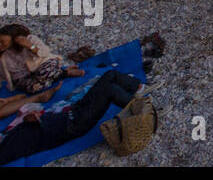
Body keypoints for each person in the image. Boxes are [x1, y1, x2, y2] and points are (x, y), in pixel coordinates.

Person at [0, 70, 143, 166]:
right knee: (110, 90)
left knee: (110, 75)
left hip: (68, 113)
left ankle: (140, 88)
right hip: (70, 124)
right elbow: (38, 137)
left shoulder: (7, 134)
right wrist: (39, 121)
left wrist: (30, 118)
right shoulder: (5, 149)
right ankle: (141, 113)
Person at [0, 25, 84, 93]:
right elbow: (6, 74)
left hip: (43, 67)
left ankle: (63, 73)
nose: (0, 44)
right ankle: (59, 74)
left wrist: (30, 46)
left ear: (14, 39)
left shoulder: (30, 39)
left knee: (48, 70)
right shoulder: (4, 55)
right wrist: (11, 86)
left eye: (2, 41)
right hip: (26, 77)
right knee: (34, 88)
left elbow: (45, 52)